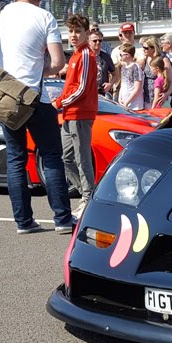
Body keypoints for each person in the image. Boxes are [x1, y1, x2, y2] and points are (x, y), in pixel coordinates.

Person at [0, 0, 75, 235]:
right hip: (33, 97)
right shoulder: (44, 17)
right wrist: (41, 68)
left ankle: (24, 222)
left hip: (5, 96)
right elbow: (59, 63)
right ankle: (62, 218)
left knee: (16, 159)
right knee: (51, 155)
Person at [55, 15, 99, 216]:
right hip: (70, 113)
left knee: (81, 158)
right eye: (71, 31)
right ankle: (88, 196)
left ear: (86, 33)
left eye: (78, 31)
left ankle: (88, 198)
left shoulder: (85, 56)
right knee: (66, 157)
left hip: (80, 113)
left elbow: (80, 89)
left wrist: (58, 102)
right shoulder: (75, 55)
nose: (73, 35)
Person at [117, 43, 144, 110]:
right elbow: (122, 84)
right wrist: (120, 98)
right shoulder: (123, 67)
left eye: (121, 55)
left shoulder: (135, 67)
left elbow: (137, 88)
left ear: (128, 55)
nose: (120, 57)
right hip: (124, 102)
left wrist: (127, 102)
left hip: (135, 105)